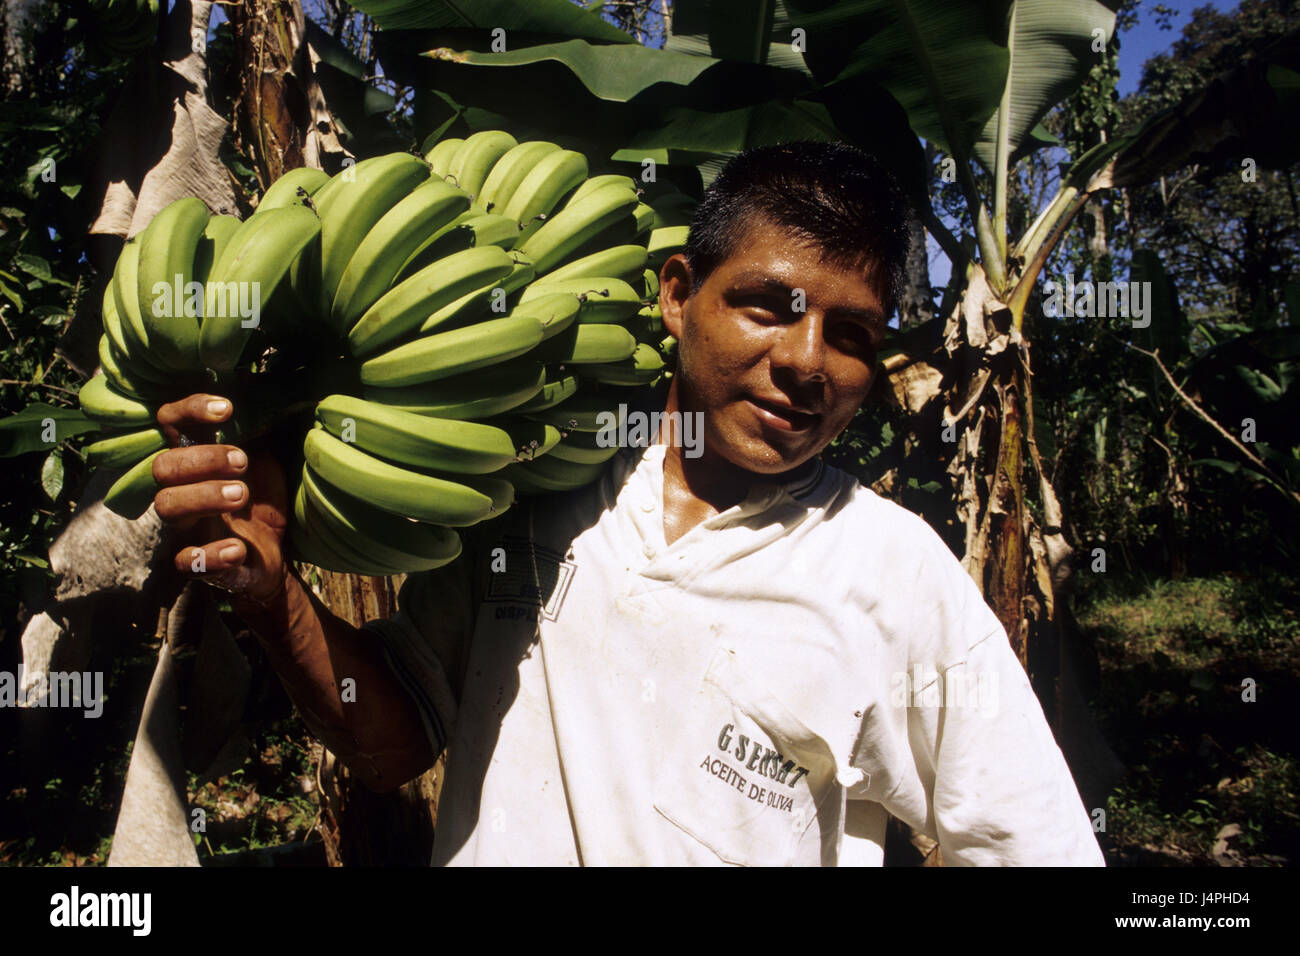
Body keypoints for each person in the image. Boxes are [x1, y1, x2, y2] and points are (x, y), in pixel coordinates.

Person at [150, 142, 1105, 866]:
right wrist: (272, 595)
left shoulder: (892, 576)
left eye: (851, 333)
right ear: (678, 295)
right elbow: (396, 738)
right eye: (767, 306)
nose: (807, 363)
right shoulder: (532, 495)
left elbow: (1031, 839)